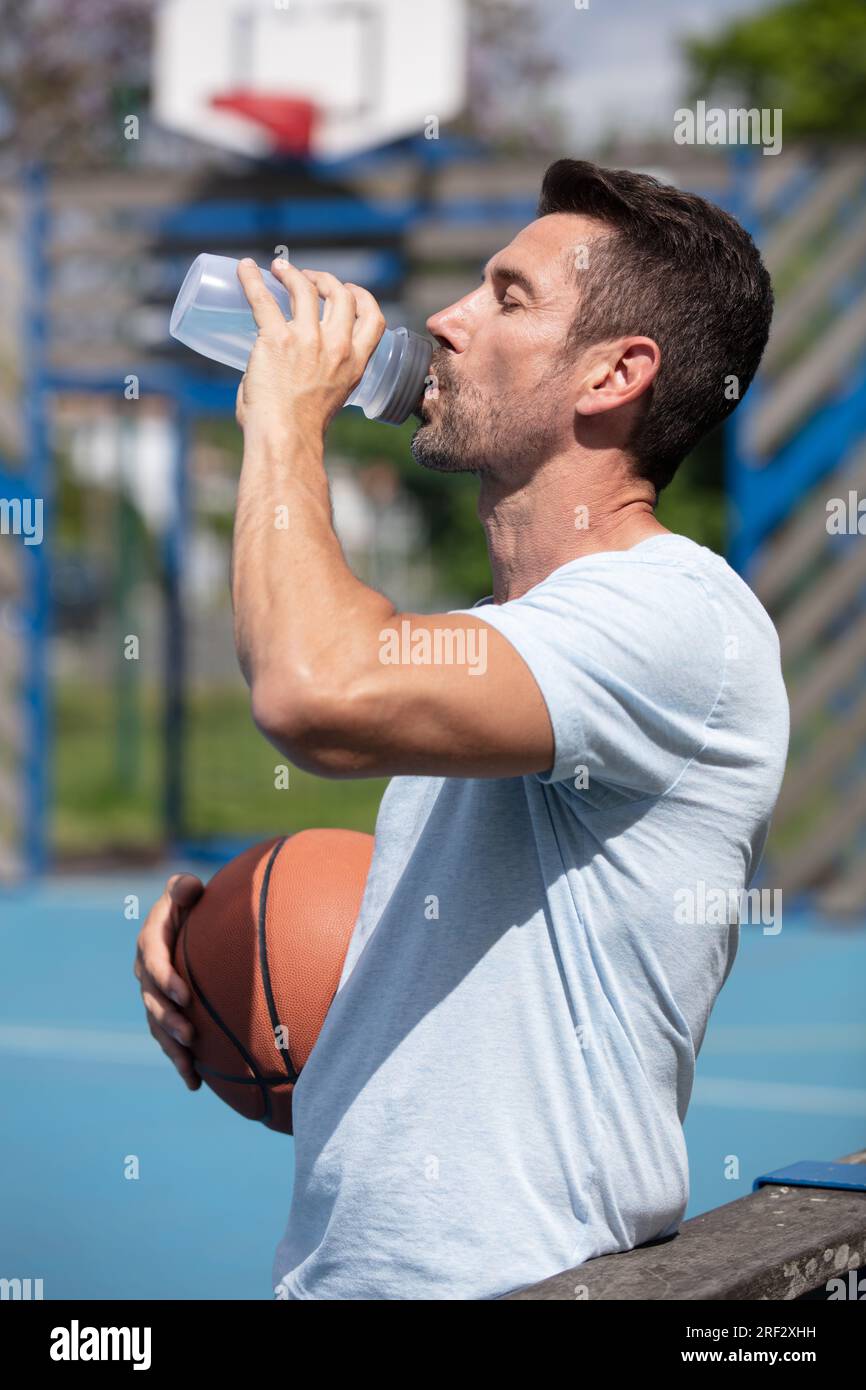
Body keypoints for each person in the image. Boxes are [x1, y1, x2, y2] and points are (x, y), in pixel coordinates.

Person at [135, 159, 789, 1300]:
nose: (441, 320)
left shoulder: (676, 615)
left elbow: (310, 689)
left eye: (506, 296)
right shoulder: (495, 641)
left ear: (613, 374)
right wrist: (234, 959)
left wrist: (285, 418)